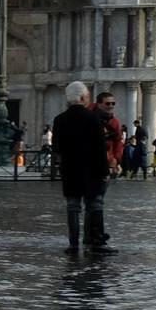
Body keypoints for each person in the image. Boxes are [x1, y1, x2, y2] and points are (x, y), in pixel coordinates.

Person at [50, 81, 112, 255]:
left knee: (73, 207)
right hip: (92, 170)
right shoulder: (93, 118)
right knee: (95, 205)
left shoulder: (59, 120)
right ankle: (98, 243)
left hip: (70, 170)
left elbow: (56, 148)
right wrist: (105, 171)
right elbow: (101, 148)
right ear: (84, 97)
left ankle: (73, 244)